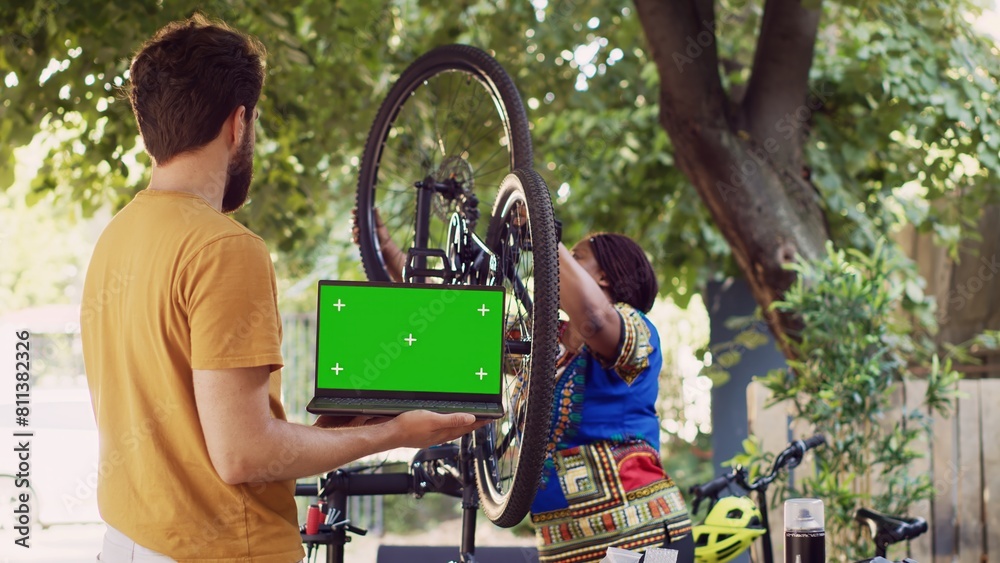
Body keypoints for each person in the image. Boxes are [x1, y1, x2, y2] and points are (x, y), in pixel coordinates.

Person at [80, 16, 484, 563]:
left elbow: (201, 432)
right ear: (237, 123)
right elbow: (243, 456)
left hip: (129, 542)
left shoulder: (117, 237)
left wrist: (330, 429)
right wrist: (396, 434)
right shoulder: (224, 247)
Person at [361, 210, 694, 561]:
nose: (549, 262)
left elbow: (595, 320)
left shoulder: (639, 329)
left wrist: (542, 231)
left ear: (606, 277)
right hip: (566, 550)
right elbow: (455, 325)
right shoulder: (550, 346)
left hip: (638, 537)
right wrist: (385, 249)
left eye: (576, 258)